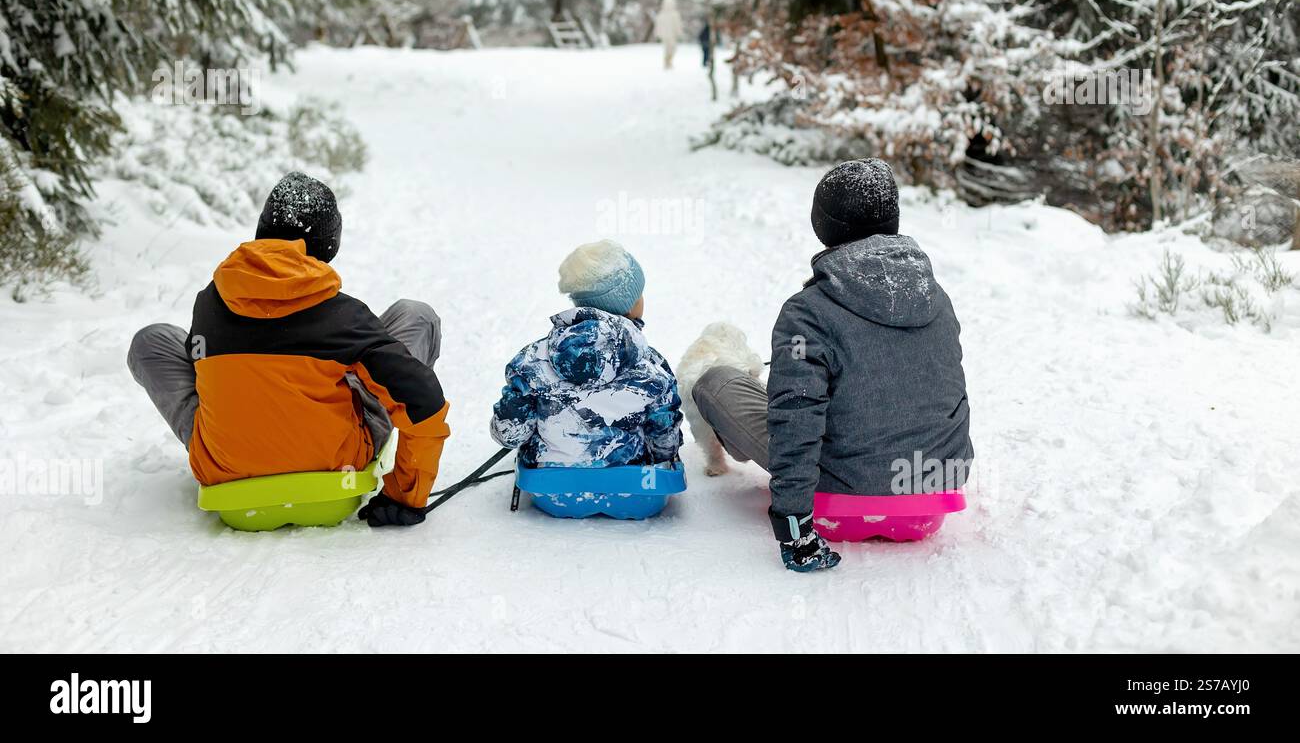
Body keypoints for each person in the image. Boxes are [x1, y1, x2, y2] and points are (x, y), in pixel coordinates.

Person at [681, 159, 973, 572]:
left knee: (715, 382)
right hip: (929, 500)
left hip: (839, 502)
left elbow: (797, 417)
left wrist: (794, 524)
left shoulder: (807, 313)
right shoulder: (936, 298)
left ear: (824, 226)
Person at [127, 171, 451, 528]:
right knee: (414, 315)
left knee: (153, 339)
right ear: (329, 245)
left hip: (229, 475)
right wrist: (404, 496)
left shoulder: (210, 304)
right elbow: (422, 399)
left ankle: (235, 445)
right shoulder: (344, 316)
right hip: (334, 471)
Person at [489, 240, 683, 469]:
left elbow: (508, 434)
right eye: (639, 294)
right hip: (631, 489)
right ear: (629, 304)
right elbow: (664, 441)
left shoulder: (533, 360)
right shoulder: (651, 365)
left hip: (551, 493)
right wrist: (664, 457)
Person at [653, 0, 682, 69]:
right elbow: (658, 25)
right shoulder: (661, 14)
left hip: (672, 35)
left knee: (672, 48)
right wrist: (657, 34)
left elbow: (677, 25)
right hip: (665, 35)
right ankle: (667, 62)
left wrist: (678, 33)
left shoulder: (675, 14)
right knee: (667, 49)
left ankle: (669, 61)